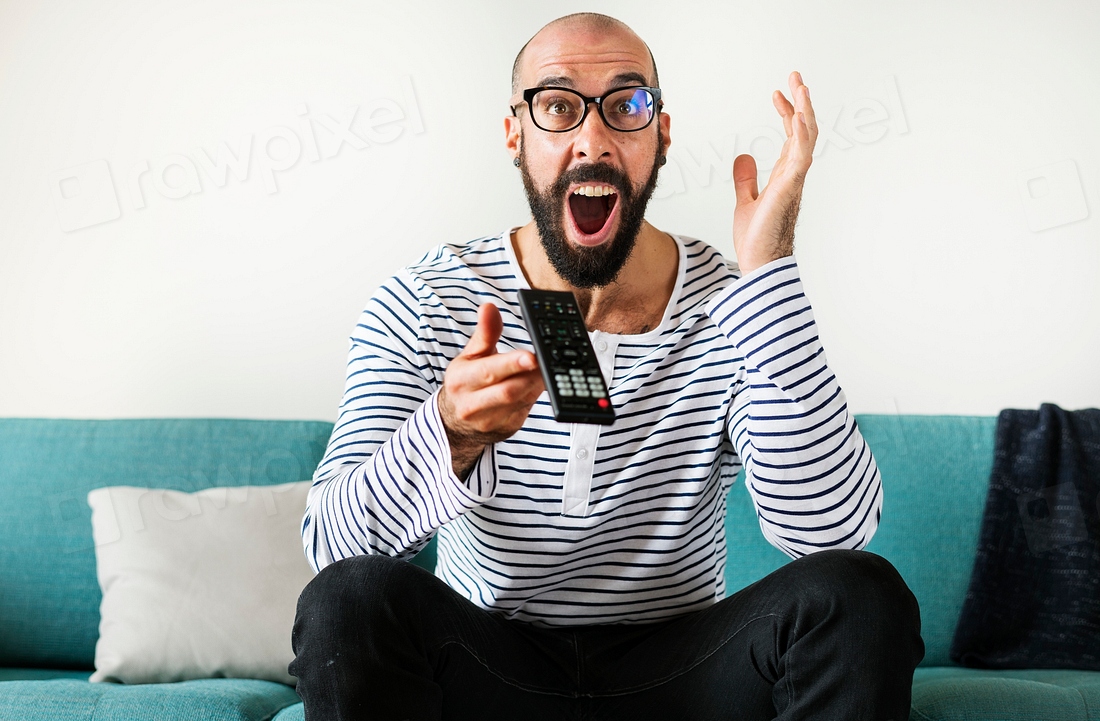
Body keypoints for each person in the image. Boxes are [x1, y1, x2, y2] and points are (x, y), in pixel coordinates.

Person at [288, 12, 923, 721]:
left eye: (627, 106)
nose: (593, 139)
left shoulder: (731, 303)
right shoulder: (429, 302)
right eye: (558, 107)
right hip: (485, 667)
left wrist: (768, 272)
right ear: (515, 135)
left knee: (859, 593)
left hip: (683, 672)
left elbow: (830, 533)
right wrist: (452, 433)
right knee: (347, 601)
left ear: (662, 136)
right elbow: (335, 548)